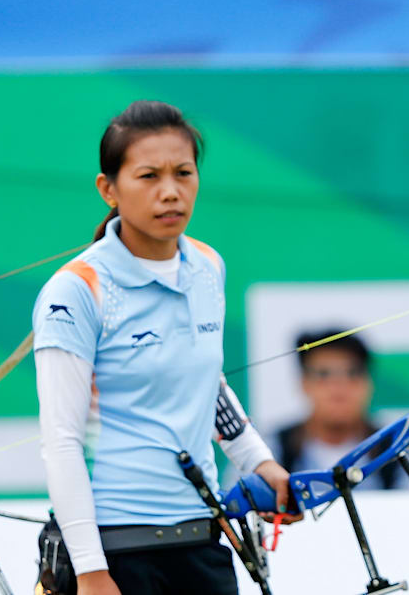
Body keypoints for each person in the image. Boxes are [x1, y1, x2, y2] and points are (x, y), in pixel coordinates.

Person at [33, 101, 294, 595]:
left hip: (201, 539)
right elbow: (61, 440)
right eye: (148, 176)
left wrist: (260, 464)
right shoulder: (76, 289)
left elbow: (208, 387)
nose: (171, 192)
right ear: (108, 189)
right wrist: (90, 570)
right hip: (112, 553)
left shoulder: (207, 266)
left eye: (184, 173)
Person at [273, 330, 409, 490]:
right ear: (304, 383)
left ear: (369, 383)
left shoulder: (403, 448)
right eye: (323, 374)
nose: (339, 387)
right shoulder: (270, 451)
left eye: (353, 373)